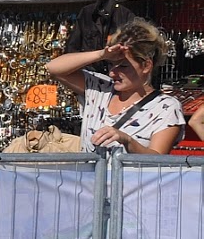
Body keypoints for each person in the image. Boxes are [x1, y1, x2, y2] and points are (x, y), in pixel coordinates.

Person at [44, 18, 184, 155]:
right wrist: (101, 54)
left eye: (123, 66)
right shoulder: (100, 89)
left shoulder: (166, 107)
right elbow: (53, 68)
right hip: (91, 178)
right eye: (110, 65)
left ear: (146, 66)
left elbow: (157, 159)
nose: (112, 73)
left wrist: (127, 141)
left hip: (131, 178)